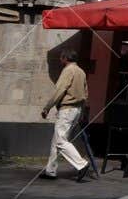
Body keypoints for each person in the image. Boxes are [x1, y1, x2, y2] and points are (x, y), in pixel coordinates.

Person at [39, 50, 93, 182]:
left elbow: (59, 90)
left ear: (65, 58)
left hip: (67, 110)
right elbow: (86, 93)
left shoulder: (68, 71)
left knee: (60, 141)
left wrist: (47, 107)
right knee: (56, 141)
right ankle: (50, 171)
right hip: (76, 109)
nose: (60, 59)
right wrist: (82, 111)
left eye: (61, 57)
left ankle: (81, 164)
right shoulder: (81, 71)